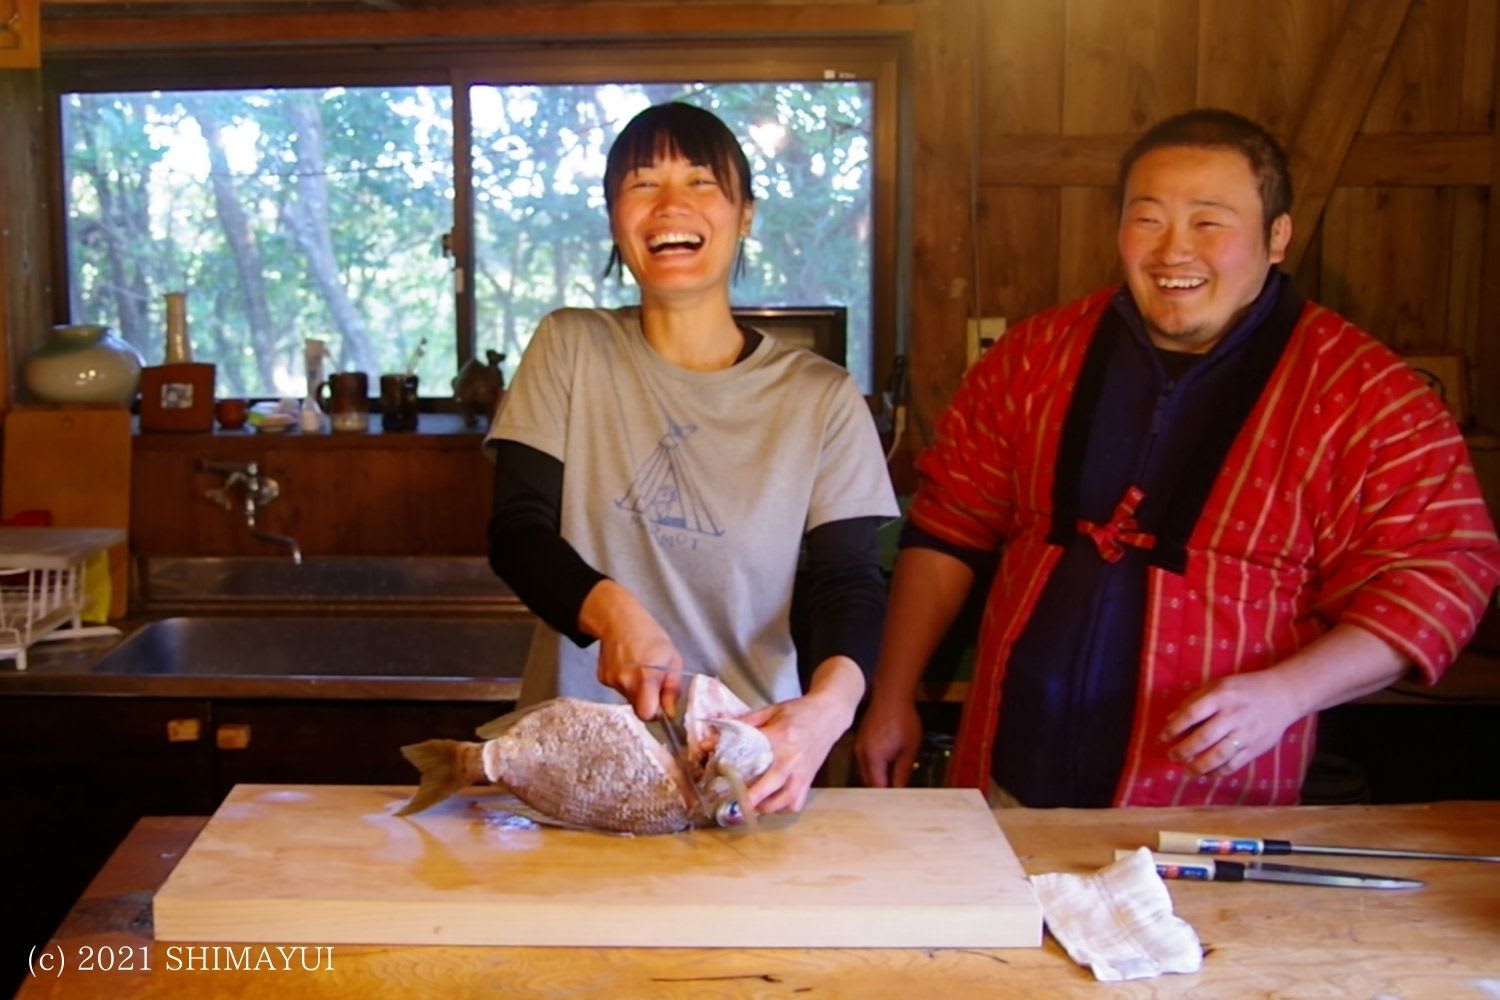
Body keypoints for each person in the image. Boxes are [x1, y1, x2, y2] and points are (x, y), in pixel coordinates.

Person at [855, 108, 1500, 807]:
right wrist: (892, 696)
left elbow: (1442, 573)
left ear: (1277, 236)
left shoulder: (1366, 395)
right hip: (1008, 777)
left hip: (1216, 804)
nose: (1173, 251)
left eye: (1209, 221)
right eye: (1149, 218)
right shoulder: (1035, 357)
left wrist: (1288, 692)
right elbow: (949, 526)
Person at [486, 101, 898, 816]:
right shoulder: (569, 348)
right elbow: (517, 531)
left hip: (746, 764)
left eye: (702, 182)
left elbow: (848, 584)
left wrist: (828, 709)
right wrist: (609, 610)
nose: (670, 204)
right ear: (615, 217)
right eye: (642, 184)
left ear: (746, 216)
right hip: (576, 768)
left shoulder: (823, 399)